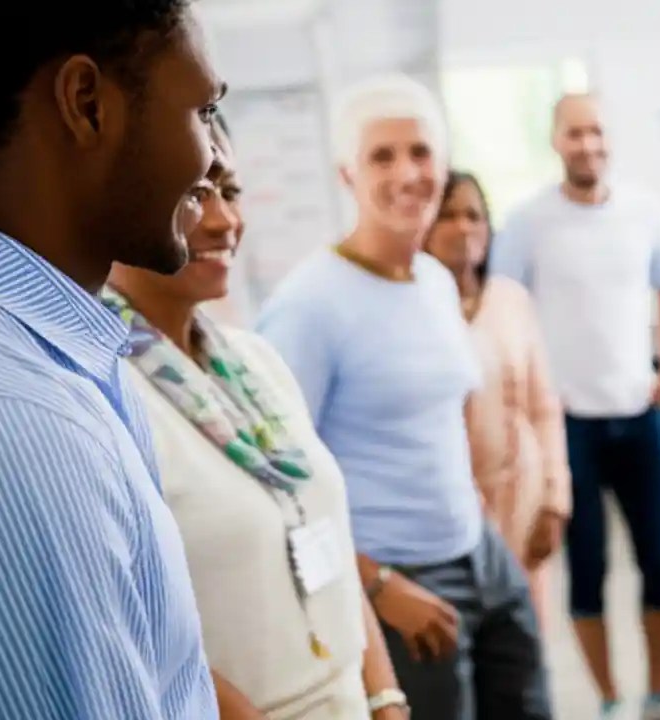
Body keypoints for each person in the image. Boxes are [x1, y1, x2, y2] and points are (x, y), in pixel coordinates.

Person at [256, 74, 551, 720]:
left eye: (420, 153)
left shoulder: (434, 281)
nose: (406, 172)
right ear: (346, 175)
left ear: (443, 167)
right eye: (381, 156)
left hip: (482, 556)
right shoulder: (308, 307)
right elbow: (275, 487)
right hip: (395, 580)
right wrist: (376, 584)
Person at [104, 116, 409, 720]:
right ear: (117, 205)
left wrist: (386, 697)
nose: (223, 220)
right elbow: (134, 622)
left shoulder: (256, 362)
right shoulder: (105, 396)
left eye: (231, 191)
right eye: (195, 194)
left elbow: (329, 542)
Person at [0, 4, 224, 718]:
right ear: (87, 104)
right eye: (203, 112)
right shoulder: (32, 422)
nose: (215, 156)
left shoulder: (66, 362)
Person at [492, 92, 660, 720]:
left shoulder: (645, 212)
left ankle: (657, 692)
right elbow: (504, 310)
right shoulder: (527, 221)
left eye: (597, 131)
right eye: (574, 133)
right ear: (555, 140)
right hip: (567, 424)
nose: (587, 144)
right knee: (586, 570)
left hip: (638, 413)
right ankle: (608, 699)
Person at [423, 171, 572, 629]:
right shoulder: (413, 307)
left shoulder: (511, 300)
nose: (463, 227)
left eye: (474, 216)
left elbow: (543, 406)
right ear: (424, 227)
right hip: (448, 510)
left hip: (521, 499)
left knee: (525, 638)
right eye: (448, 215)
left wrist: (555, 500)